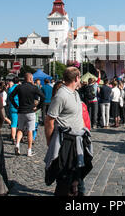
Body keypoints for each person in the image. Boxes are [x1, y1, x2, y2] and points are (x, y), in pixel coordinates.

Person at [45, 67, 92, 196]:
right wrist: (50, 142)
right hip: (66, 141)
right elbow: (49, 120)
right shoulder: (61, 95)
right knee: (64, 180)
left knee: (76, 178)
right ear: (76, 78)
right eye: (80, 77)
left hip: (78, 140)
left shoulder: (75, 93)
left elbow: (78, 116)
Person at [9, 73, 45, 157]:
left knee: (20, 129)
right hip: (30, 111)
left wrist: (16, 106)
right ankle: (29, 150)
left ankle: (17, 144)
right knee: (30, 131)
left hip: (21, 111)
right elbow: (42, 97)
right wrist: (38, 107)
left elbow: (11, 97)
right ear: (31, 78)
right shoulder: (34, 88)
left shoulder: (19, 87)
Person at [7, 78, 20, 144]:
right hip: (20, 107)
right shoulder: (20, 88)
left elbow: (8, 98)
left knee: (13, 123)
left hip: (12, 107)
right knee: (20, 124)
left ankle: (13, 138)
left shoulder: (10, 89)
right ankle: (20, 137)